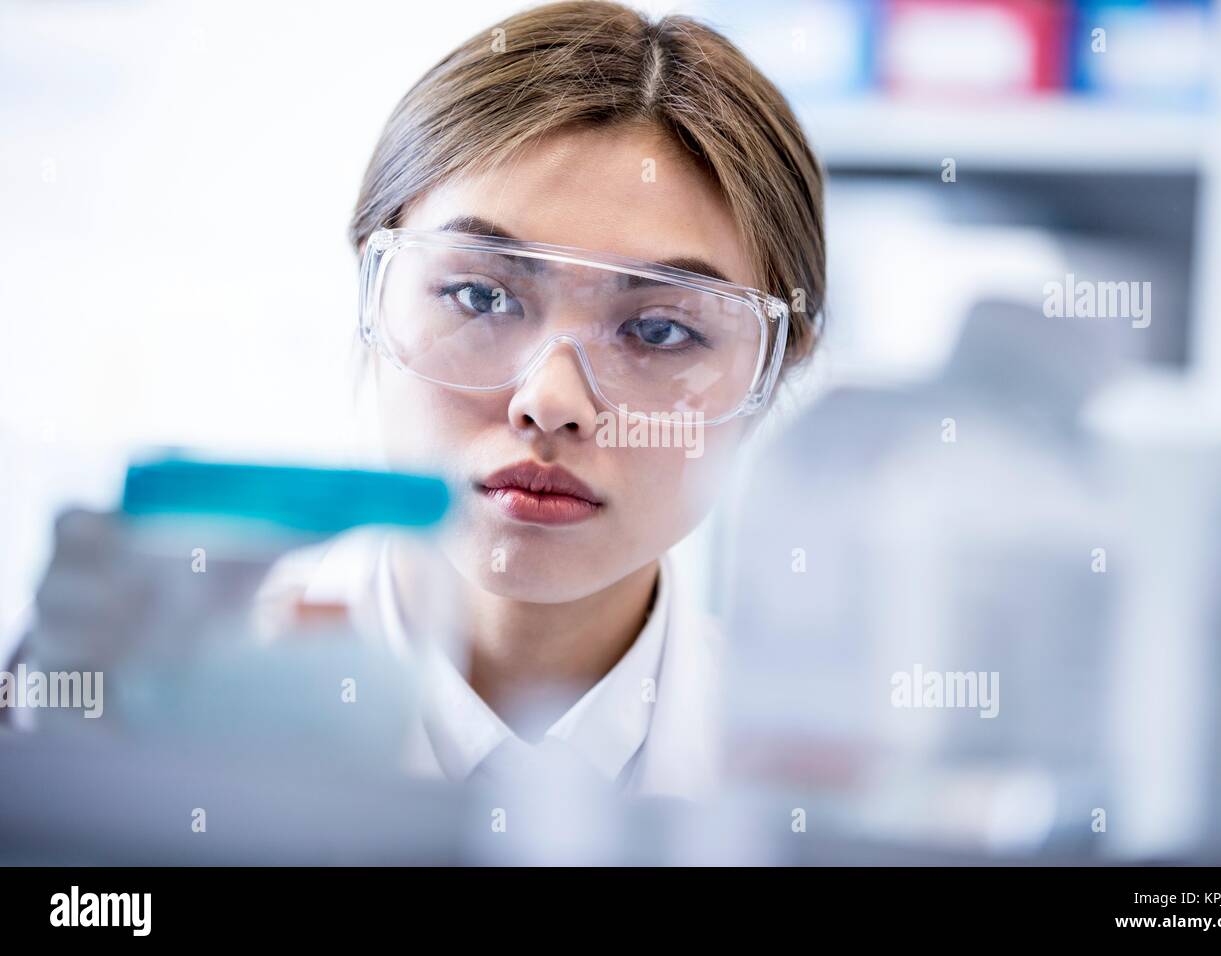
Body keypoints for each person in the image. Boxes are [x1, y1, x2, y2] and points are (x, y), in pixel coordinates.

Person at [24, 0, 827, 802]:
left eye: (658, 330)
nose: (550, 404)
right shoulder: (155, 691)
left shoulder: (829, 789)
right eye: (480, 297)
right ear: (373, 296)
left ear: (772, 374)